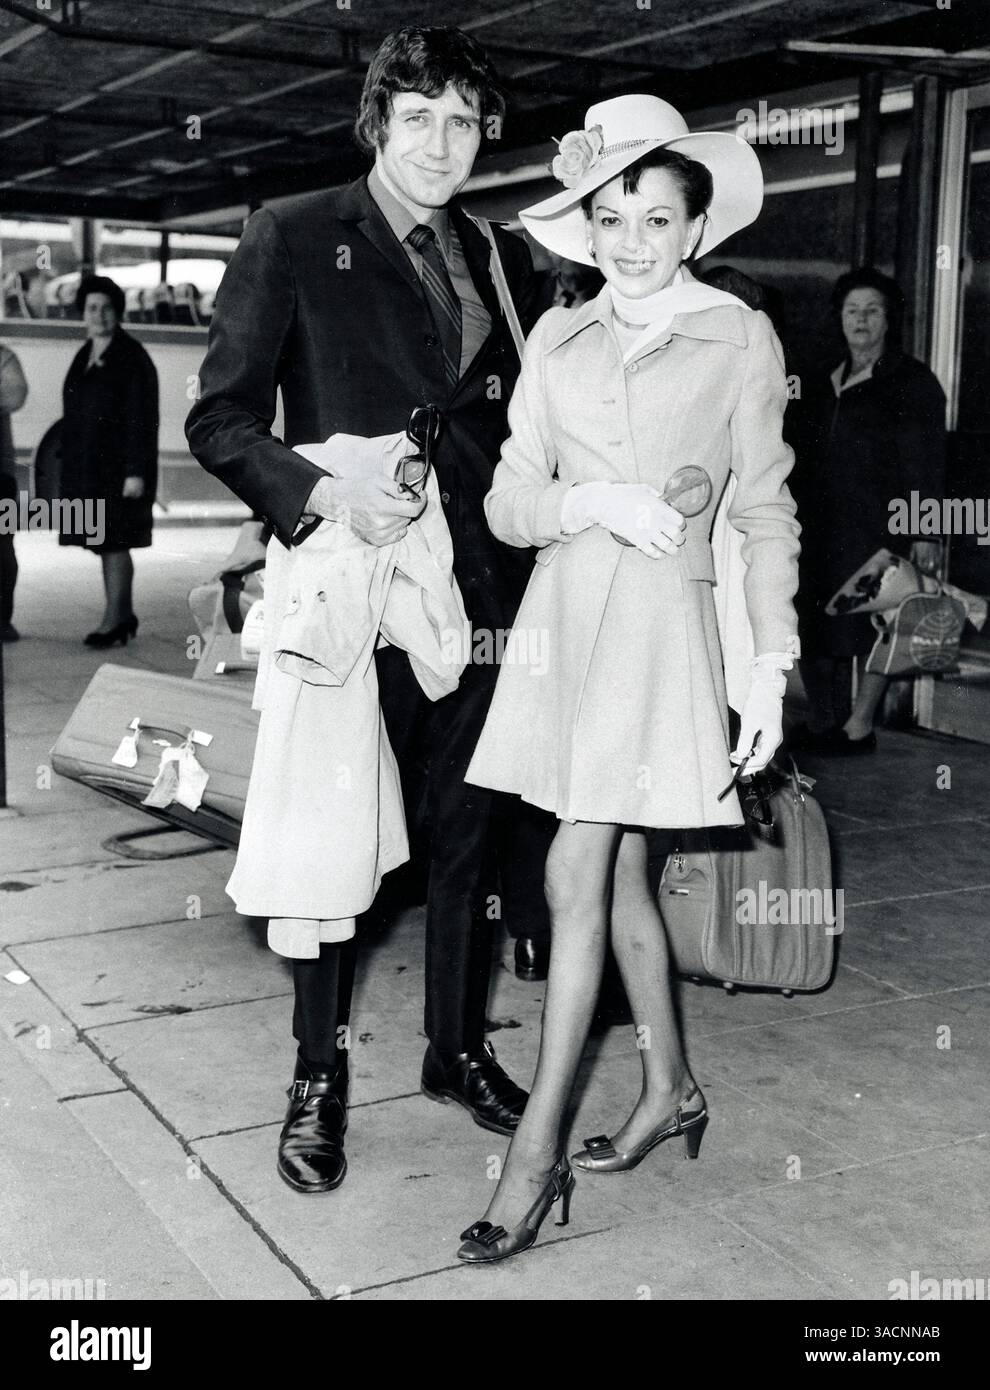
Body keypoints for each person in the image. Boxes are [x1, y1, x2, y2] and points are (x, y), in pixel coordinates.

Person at [186, 25, 555, 1195]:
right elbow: (221, 419)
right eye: (419, 120)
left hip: (483, 591)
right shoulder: (294, 234)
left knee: (469, 835)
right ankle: (317, 1075)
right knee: (330, 842)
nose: (444, 144)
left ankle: (454, 1049)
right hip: (357, 588)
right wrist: (322, 492)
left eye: (463, 121)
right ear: (375, 126)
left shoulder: (503, 256)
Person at [454, 94, 801, 1263]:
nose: (634, 238)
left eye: (658, 216)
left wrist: (768, 664)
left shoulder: (739, 337)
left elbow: (763, 511)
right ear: (587, 224)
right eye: (612, 215)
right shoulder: (554, 341)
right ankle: (673, 1090)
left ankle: (533, 1154)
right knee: (622, 883)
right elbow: (507, 502)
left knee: (571, 869)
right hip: (565, 638)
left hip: (665, 648)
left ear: (695, 228)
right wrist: (588, 501)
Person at [790, 268, 946, 753]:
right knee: (812, 625)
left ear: (888, 318)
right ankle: (821, 722)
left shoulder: (913, 381)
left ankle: (859, 726)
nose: (861, 319)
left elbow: (928, 461)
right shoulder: (817, 378)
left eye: (872, 310)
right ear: (838, 317)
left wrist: (925, 528)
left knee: (880, 621)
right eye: (851, 309)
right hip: (816, 524)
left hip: (877, 524)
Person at [60, 274, 159, 646]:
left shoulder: (131, 357)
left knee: (117, 541)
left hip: (121, 470)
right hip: (92, 469)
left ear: (118, 312)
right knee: (105, 541)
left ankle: (112, 622)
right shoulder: (87, 353)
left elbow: (142, 419)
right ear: (83, 313)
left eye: (106, 308)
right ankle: (124, 613)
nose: (99, 315)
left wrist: (135, 472)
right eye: (92, 308)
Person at [0, 342, 28, 641]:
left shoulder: (4, 356)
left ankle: (2, 619)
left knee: (2, 550)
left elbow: (15, 393)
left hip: (0, 474)